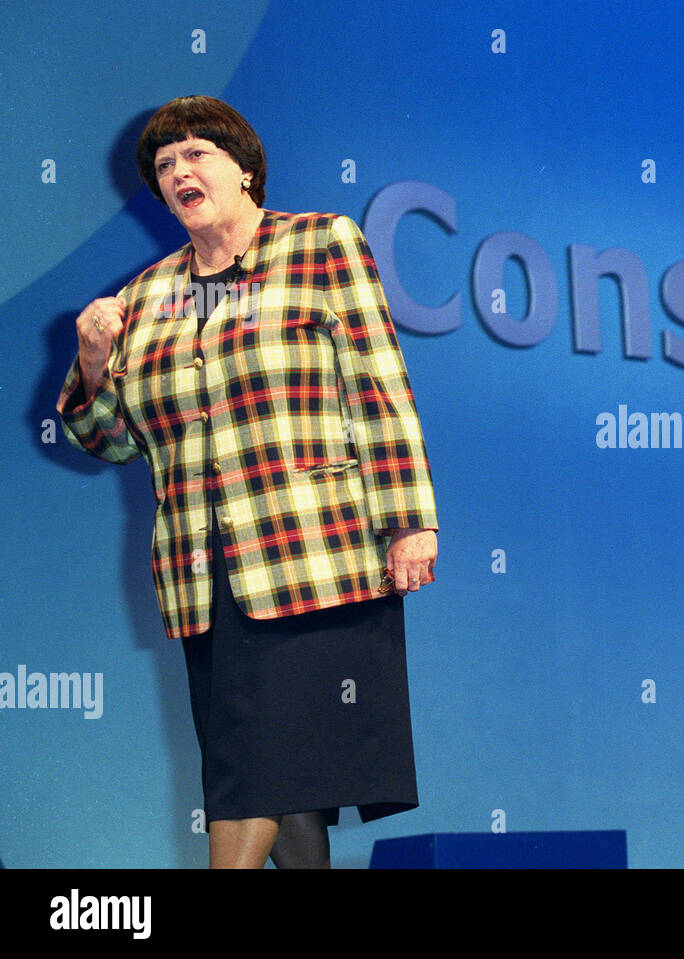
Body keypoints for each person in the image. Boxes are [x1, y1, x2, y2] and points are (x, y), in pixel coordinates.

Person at [57, 95, 439, 869]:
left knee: (250, 777)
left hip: (316, 557)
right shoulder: (145, 297)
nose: (178, 172)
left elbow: (379, 384)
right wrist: (93, 365)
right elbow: (110, 440)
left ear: (245, 168)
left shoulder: (321, 244)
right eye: (164, 165)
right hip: (210, 579)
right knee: (281, 784)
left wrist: (410, 519)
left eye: (195, 154)